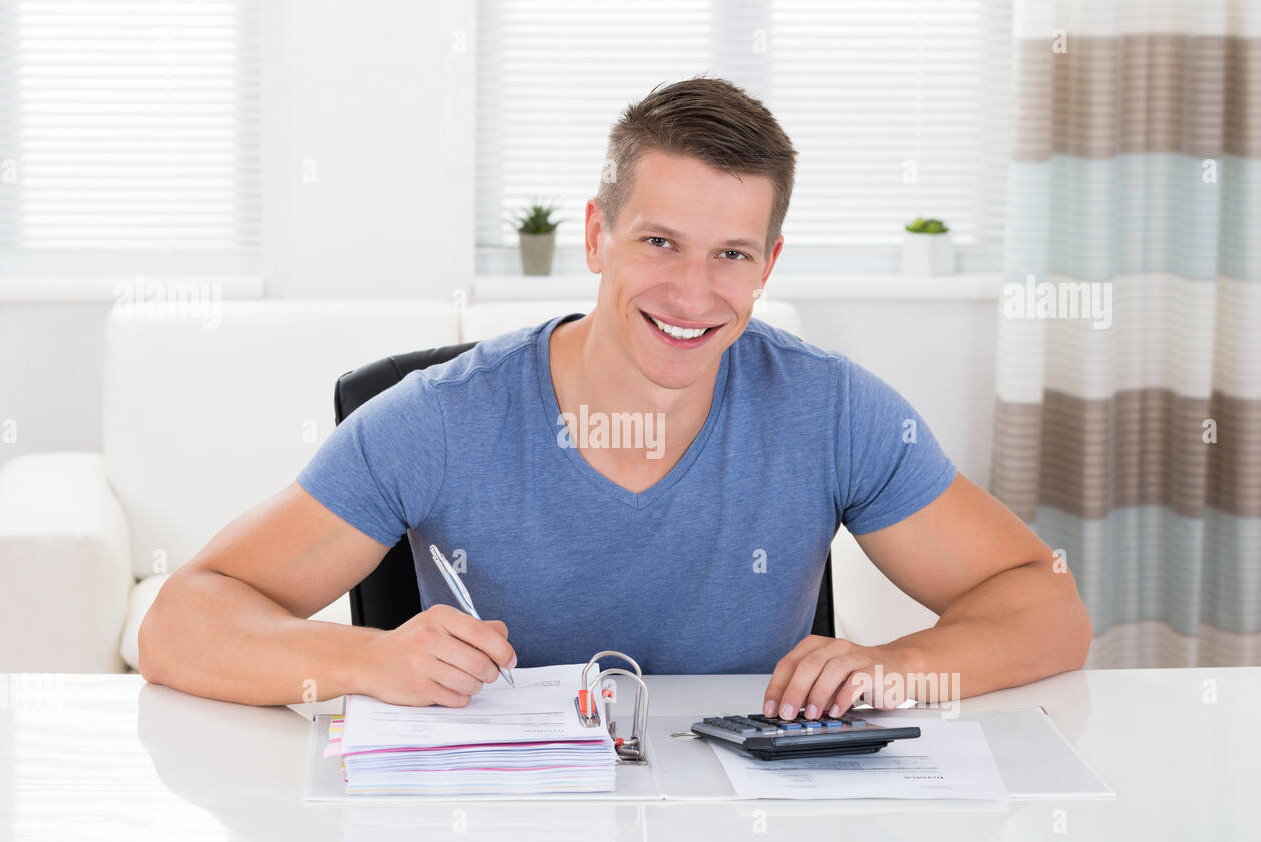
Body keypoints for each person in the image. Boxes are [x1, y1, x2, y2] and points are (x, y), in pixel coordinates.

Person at [139, 76, 1090, 720]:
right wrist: (365, 661)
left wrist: (900, 665)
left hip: (749, 827)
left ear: (768, 267)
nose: (691, 294)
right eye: (659, 242)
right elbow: (183, 618)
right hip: (496, 825)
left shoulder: (833, 409)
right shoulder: (437, 418)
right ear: (596, 235)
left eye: (731, 255)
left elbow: (1046, 605)